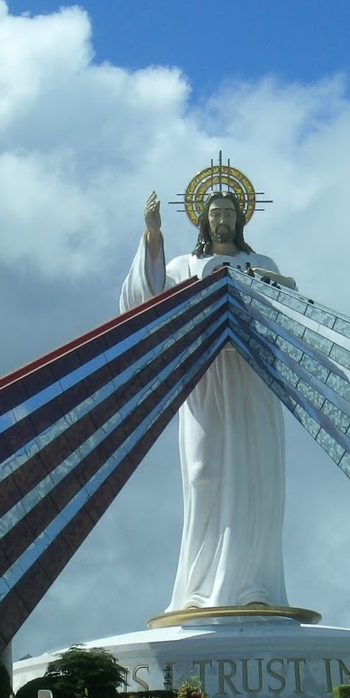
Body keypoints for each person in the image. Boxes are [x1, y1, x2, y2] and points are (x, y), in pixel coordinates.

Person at [121, 186, 296, 611]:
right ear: (203, 219)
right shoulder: (185, 264)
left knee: (257, 478)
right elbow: (144, 301)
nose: (223, 220)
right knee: (204, 476)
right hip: (206, 378)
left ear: (240, 220)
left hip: (252, 378)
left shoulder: (260, 264)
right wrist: (153, 238)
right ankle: (198, 589)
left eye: (229, 213)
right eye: (215, 212)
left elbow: (289, 292)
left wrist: (245, 278)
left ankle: (256, 587)